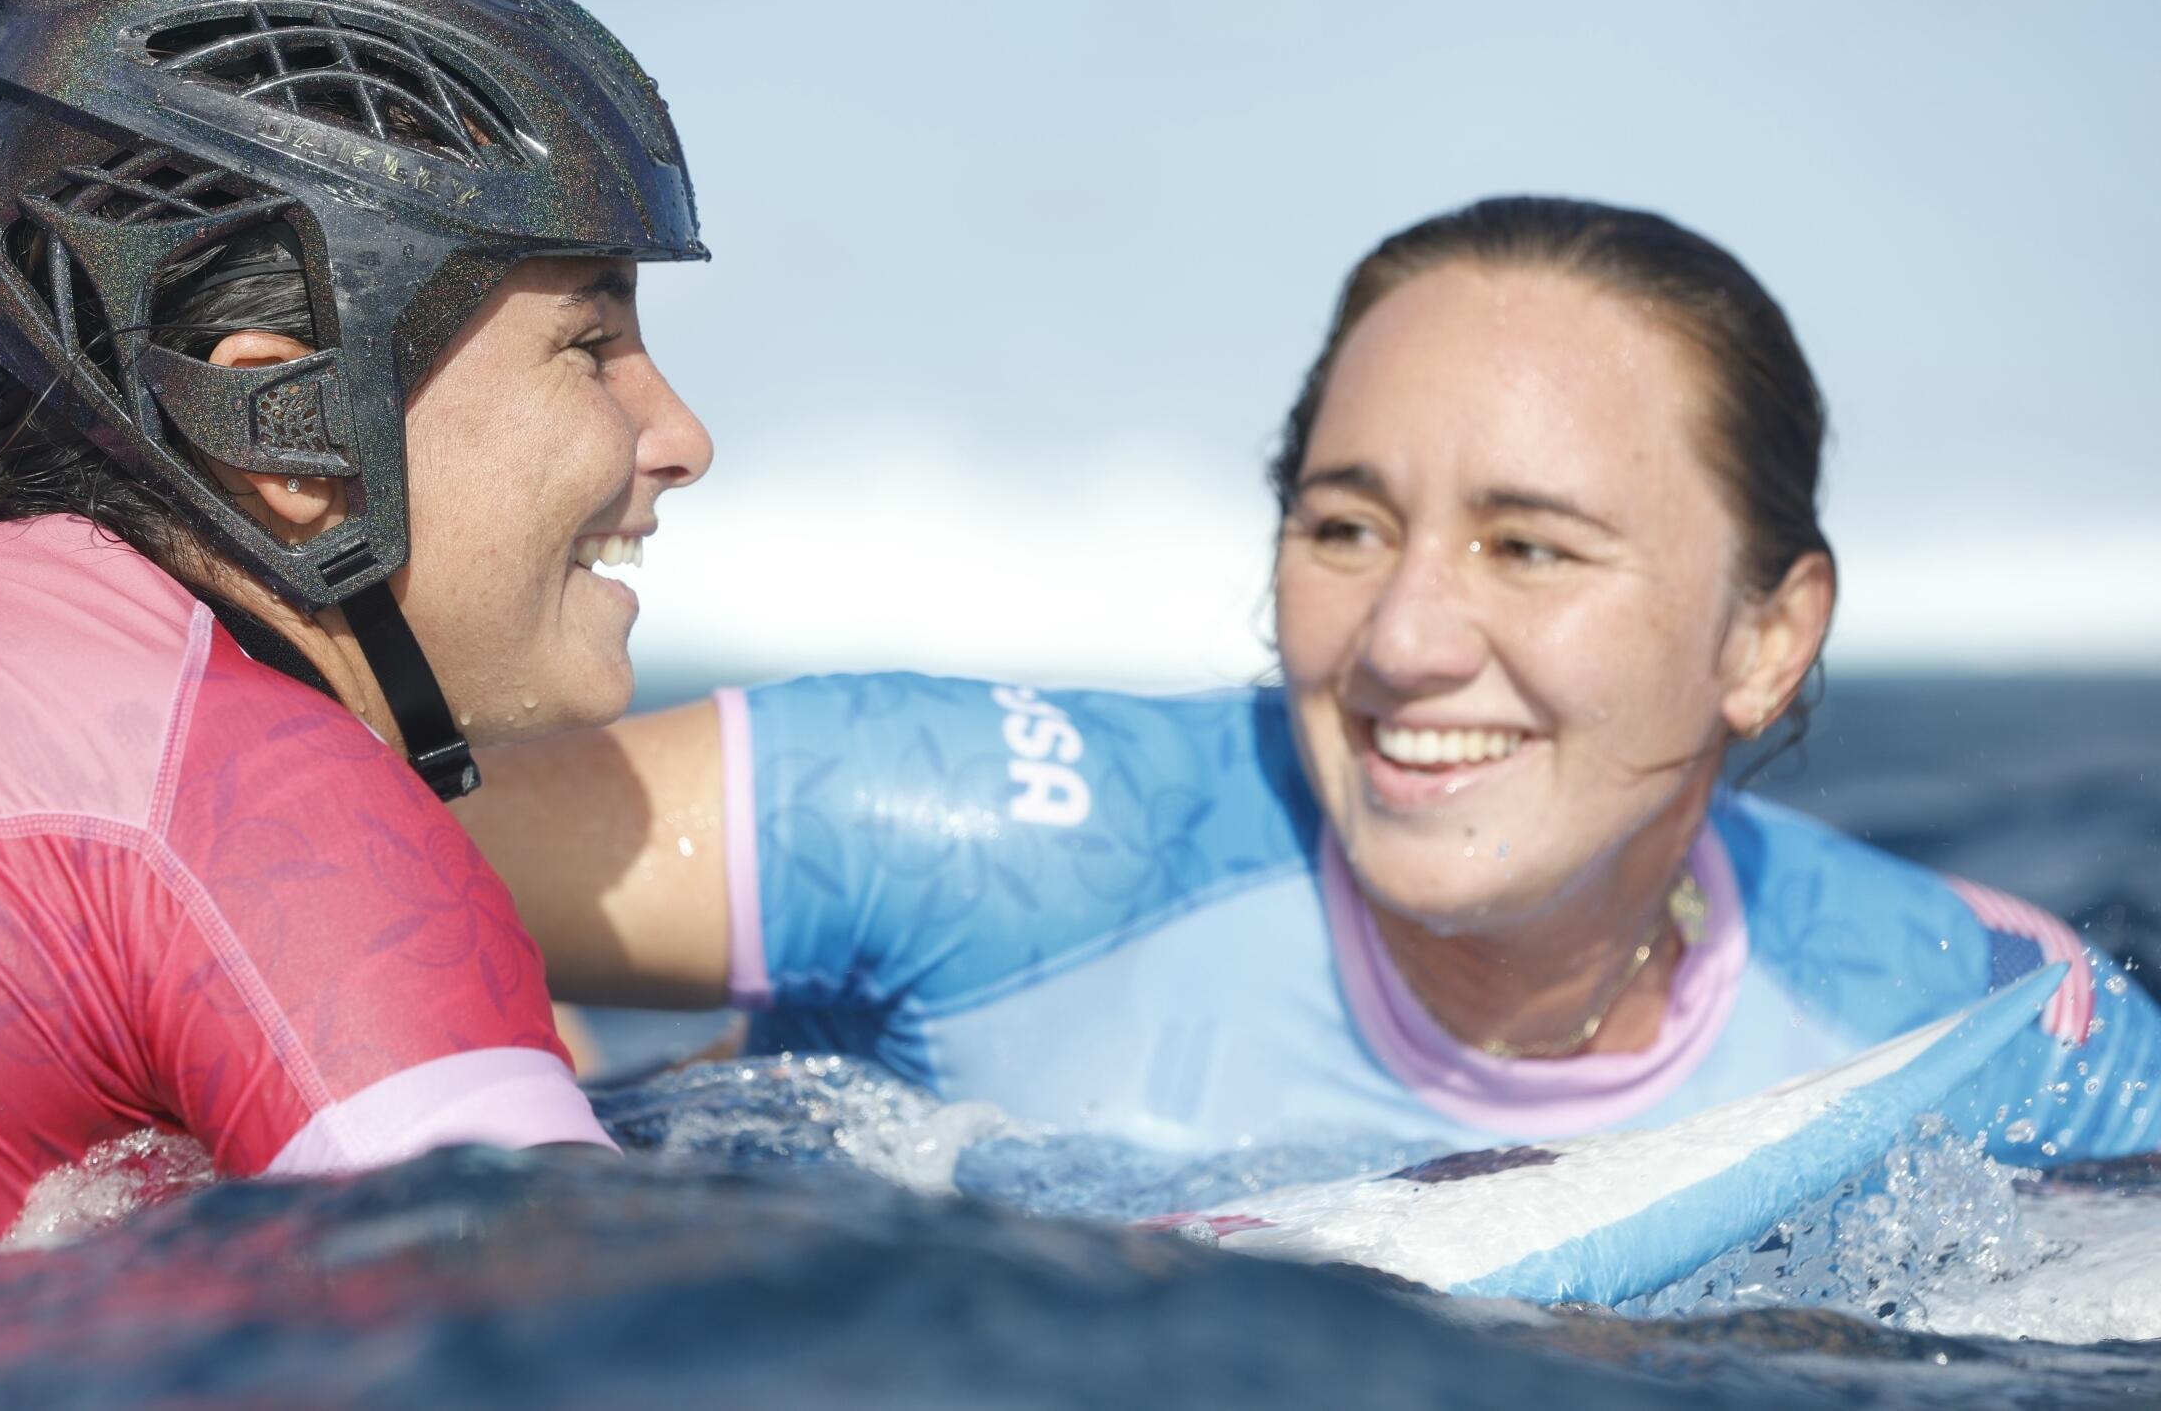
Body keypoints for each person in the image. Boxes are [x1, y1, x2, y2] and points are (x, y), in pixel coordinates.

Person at [462, 197, 2159, 1164]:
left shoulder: (1979, 1027)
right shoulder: (980, 834)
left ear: (1767, 638)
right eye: (1345, 526)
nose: (1403, 639)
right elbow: (305, 827)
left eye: (1530, 546)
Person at [0, 0, 713, 1273]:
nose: (680, 436)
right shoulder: (266, 818)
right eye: (589, 344)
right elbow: (564, 1331)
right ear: (291, 424)